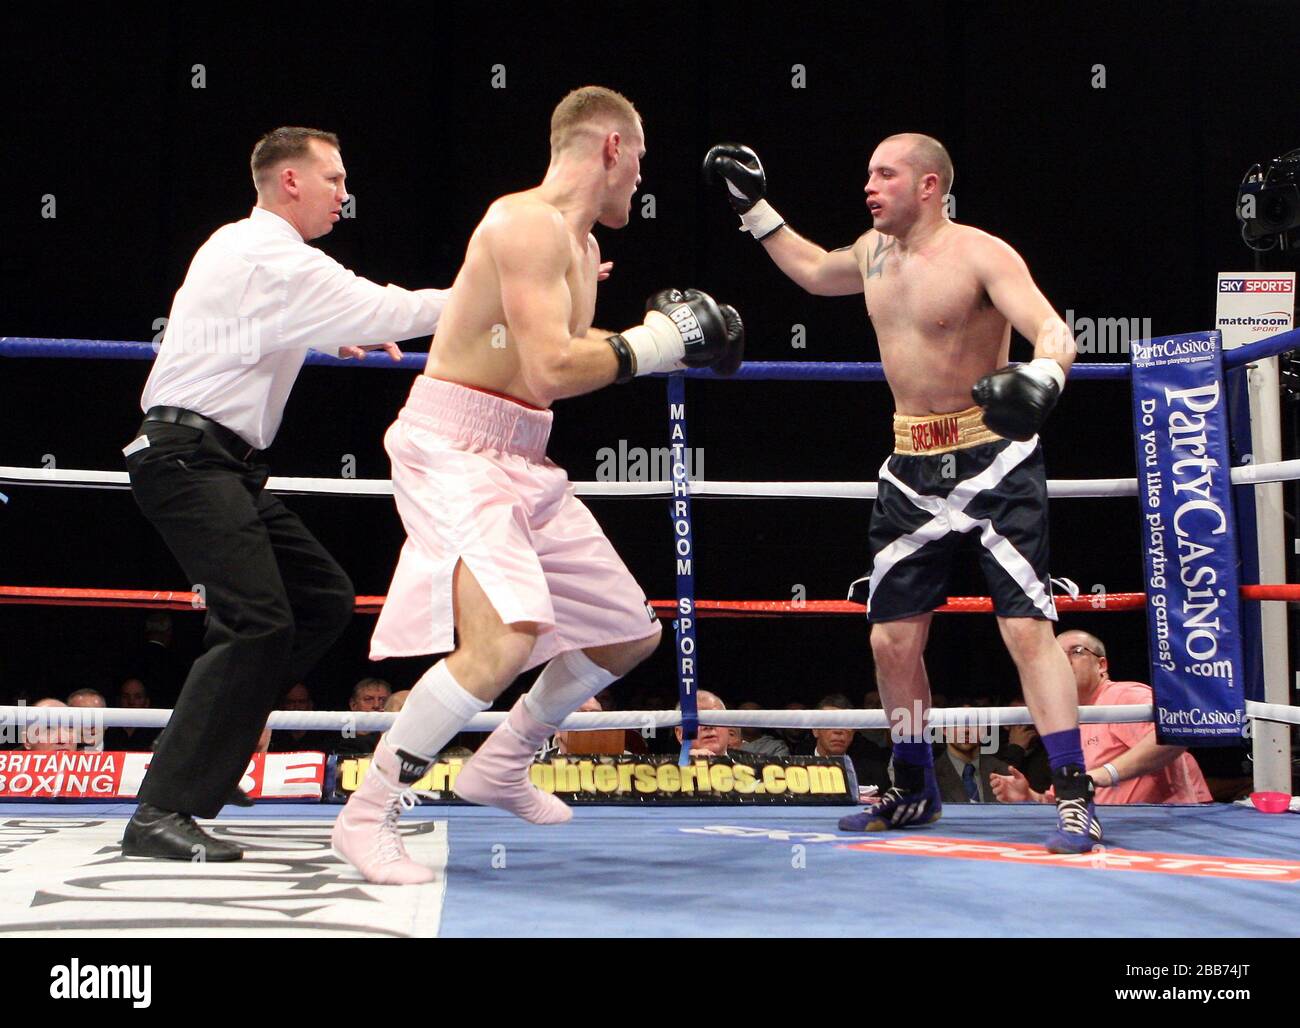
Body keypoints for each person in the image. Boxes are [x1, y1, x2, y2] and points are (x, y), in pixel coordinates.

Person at [331, 86, 743, 884]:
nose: (640, 184)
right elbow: (555, 366)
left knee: (627, 632)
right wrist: (656, 344)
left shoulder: (582, 251)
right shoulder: (522, 222)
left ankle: (502, 760)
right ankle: (367, 813)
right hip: (455, 445)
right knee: (503, 641)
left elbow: (546, 364)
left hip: (525, 454)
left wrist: (655, 345)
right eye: (640, 163)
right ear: (612, 149)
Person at [706, 133, 1098, 852]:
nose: (869, 185)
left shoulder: (982, 252)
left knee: (1023, 629)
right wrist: (756, 210)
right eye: (867, 174)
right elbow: (818, 272)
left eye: (884, 174)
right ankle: (914, 785)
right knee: (890, 639)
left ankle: (1073, 792)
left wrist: (1046, 375)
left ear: (928, 186)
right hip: (909, 462)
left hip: (995, 459)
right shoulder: (872, 252)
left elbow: (1050, 328)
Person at [121, 126, 451, 862]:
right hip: (188, 459)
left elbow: (250, 330)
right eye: (333, 179)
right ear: (290, 181)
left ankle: (216, 751)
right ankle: (160, 811)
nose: (345, 194)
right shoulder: (268, 251)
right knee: (258, 622)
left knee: (321, 599)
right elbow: (389, 308)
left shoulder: (248, 254)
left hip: (221, 464)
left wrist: (325, 339)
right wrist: (497, 293)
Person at [991, 631, 1212, 805]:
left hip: (1153, 831)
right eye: (1057, 655)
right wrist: (1030, 796)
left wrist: (1107, 774)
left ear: (1101, 665)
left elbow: (1175, 734)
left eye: (1076, 651)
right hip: (1107, 835)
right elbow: (1069, 800)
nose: (1065, 661)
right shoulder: (1066, 720)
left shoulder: (1122, 696)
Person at [335, 677, 393, 756]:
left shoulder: (397, 738)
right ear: (353, 705)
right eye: (368, 699)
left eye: (383, 700)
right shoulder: (338, 738)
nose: (376, 705)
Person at [102, 677, 159, 751]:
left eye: (137, 697)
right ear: (118, 701)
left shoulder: (156, 735)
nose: (131, 702)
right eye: (126, 697)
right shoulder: (106, 732)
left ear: (146, 703)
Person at [674, 691, 730, 757]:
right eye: (698, 721)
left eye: (715, 718)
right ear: (680, 734)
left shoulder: (744, 761)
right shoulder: (664, 766)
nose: (708, 726)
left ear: (728, 726)